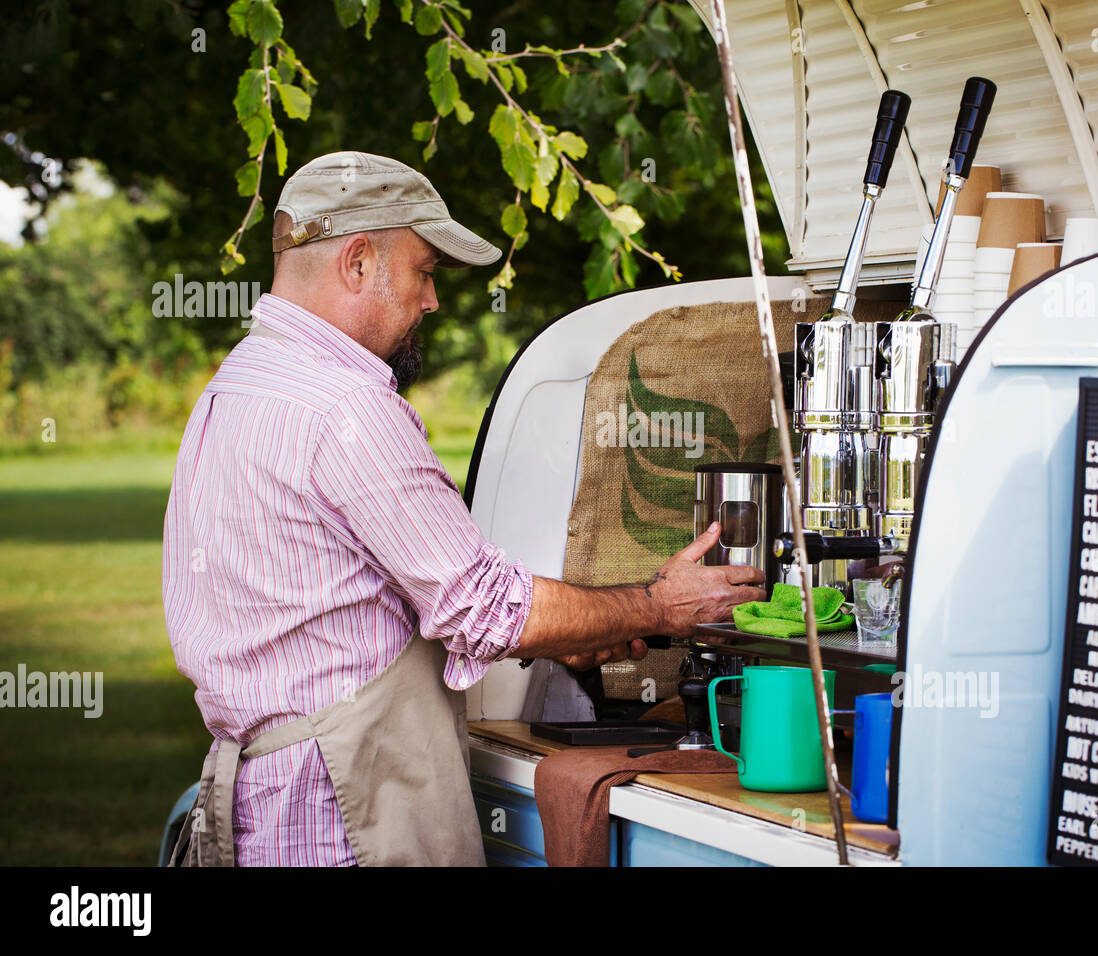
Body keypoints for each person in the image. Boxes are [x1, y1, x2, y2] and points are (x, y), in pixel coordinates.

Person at [161, 151, 764, 866]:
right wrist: (658, 606)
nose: (432, 301)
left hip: (264, 799)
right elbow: (482, 605)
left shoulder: (238, 385)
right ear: (357, 262)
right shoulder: (344, 406)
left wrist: (562, 632)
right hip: (348, 815)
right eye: (424, 271)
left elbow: (343, 599)